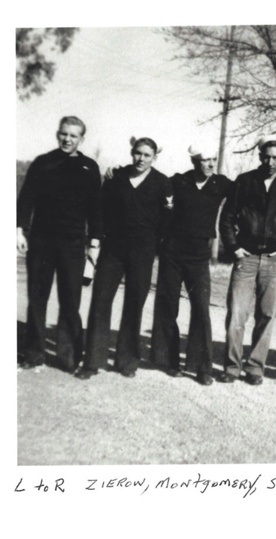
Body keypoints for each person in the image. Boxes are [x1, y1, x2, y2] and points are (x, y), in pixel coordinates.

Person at [77, 137, 172, 379]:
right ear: (132, 153)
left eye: (146, 155)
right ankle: (92, 360)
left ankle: (126, 361)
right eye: (138, 153)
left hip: (143, 251)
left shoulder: (162, 183)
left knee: (134, 304)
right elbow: (100, 210)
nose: (141, 159)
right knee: (100, 300)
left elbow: (167, 220)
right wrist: (97, 239)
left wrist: (153, 244)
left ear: (154, 157)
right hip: (113, 250)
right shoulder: (115, 178)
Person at [218, 136, 276, 385]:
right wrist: (234, 247)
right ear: (260, 156)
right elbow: (227, 217)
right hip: (246, 258)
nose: (270, 161)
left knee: (266, 315)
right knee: (237, 314)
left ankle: (255, 368)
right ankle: (231, 366)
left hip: (274, 261)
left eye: (275, 157)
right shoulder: (245, 181)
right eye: (266, 156)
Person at [17, 116, 102, 372]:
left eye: (73, 135)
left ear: (81, 139)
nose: (67, 139)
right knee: (37, 297)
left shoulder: (89, 167)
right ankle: (34, 353)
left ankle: (68, 356)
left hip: (72, 243)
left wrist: (95, 242)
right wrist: (19, 230)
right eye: (64, 134)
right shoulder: (43, 163)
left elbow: (96, 209)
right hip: (41, 241)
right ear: (58, 134)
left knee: (70, 300)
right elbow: (26, 198)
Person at [149, 143, 234, 385]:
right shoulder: (178, 181)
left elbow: (250, 188)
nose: (210, 164)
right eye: (204, 160)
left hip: (199, 255)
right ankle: (170, 361)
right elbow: (152, 185)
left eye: (213, 159)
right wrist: (118, 171)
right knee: (168, 305)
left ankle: (202, 367)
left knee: (201, 309)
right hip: (172, 252)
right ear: (194, 162)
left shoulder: (221, 183)